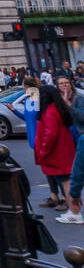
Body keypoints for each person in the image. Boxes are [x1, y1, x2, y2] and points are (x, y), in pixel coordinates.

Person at [35, 84, 77, 212]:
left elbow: (50, 133)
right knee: (66, 182)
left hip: (57, 152)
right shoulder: (58, 109)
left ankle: (74, 212)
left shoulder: (49, 112)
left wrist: (43, 151)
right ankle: (73, 211)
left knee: (65, 183)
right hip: (64, 149)